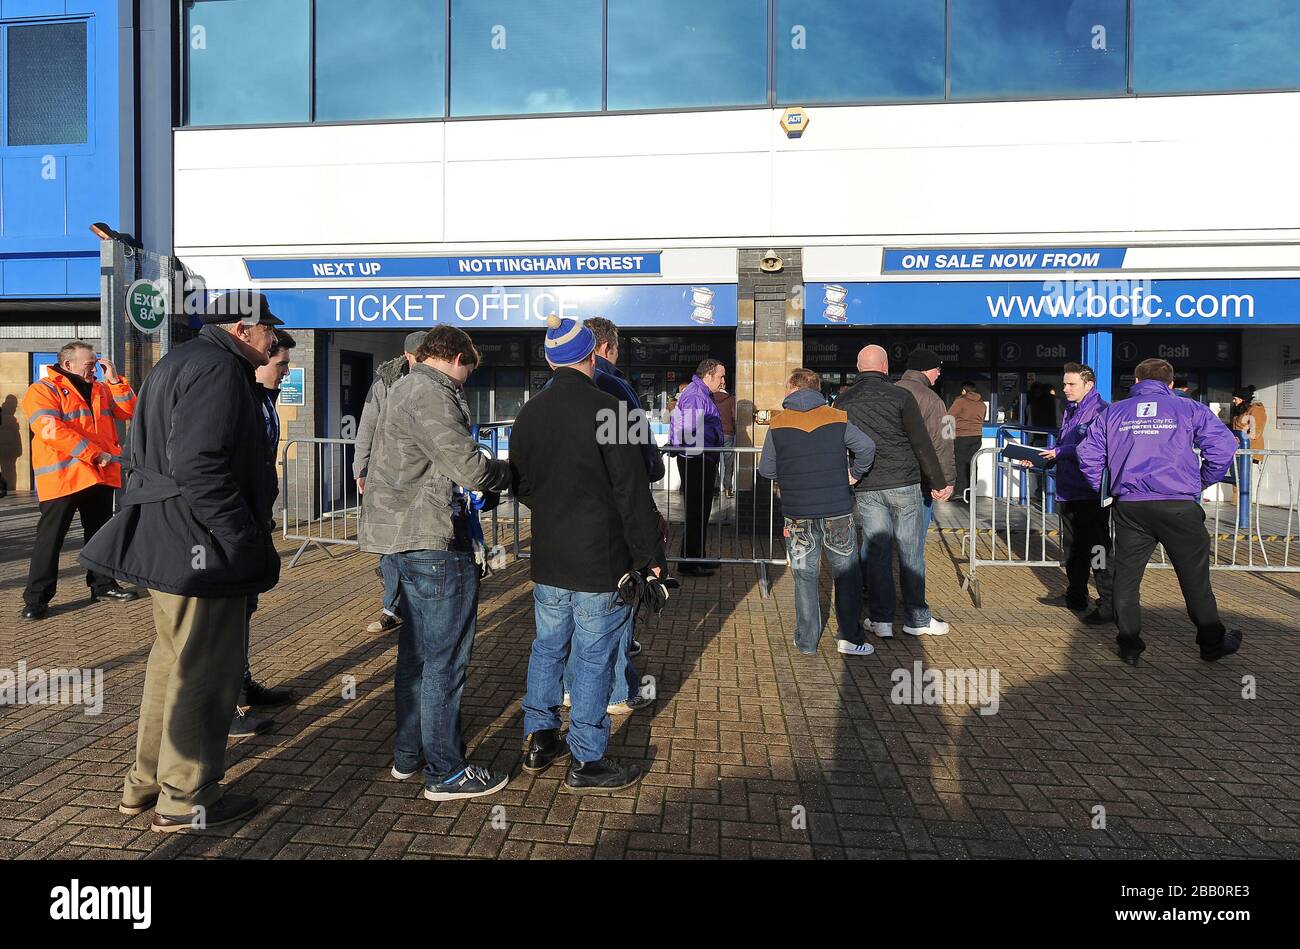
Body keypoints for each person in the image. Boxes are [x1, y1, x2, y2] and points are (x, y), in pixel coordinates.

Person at [80, 290, 284, 832]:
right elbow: (200, 466)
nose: (277, 341)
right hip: (201, 550)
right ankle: (185, 797)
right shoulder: (219, 370)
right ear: (242, 329)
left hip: (174, 543)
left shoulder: (182, 361)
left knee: (170, 667)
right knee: (204, 675)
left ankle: (145, 785)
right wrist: (239, 538)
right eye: (270, 330)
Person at [511, 315, 665, 793]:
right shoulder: (611, 410)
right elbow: (632, 492)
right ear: (592, 356)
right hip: (601, 560)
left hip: (551, 557)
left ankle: (539, 738)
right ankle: (587, 760)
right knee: (594, 658)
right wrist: (650, 557)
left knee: (548, 647)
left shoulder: (528, 413)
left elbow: (523, 484)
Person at [360, 325, 513, 801]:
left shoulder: (402, 387)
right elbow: (467, 465)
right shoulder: (430, 393)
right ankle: (446, 771)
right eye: (469, 366)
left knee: (417, 657)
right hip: (431, 542)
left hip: (405, 540)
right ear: (452, 356)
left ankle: (410, 756)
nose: (469, 377)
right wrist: (512, 473)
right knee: (445, 662)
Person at [1075, 358, 1242, 666]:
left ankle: (1129, 645)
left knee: (1126, 579)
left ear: (1136, 382)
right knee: (1195, 581)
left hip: (1131, 506)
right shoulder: (1189, 408)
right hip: (1177, 505)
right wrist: (1200, 482)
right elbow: (1223, 447)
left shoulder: (1113, 412)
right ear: (1170, 384)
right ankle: (1211, 644)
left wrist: (1107, 487)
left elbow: (1087, 453)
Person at [563, 316, 663, 714]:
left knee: (568, 613)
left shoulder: (551, 392)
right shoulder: (617, 388)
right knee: (619, 600)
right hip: (614, 514)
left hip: (564, 519)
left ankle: (570, 687)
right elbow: (645, 458)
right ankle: (620, 690)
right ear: (606, 347)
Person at [835, 345, 951, 638]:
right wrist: (938, 481)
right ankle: (918, 619)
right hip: (905, 482)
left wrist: (845, 476)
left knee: (878, 553)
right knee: (911, 553)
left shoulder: (843, 400)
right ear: (885, 366)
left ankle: (881, 620)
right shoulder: (902, 396)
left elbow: (837, 444)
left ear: (859, 367)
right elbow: (922, 443)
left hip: (868, 486)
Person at [759, 368, 876, 656]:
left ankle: (807, 641)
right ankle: (850, 637)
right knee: (846, 574)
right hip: (837, 510)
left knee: (804, 576)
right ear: (816, 388)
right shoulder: (837, 418)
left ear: (791, 388)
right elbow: (867, 447)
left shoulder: (778, 423)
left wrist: (789, 477)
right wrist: (855, 473)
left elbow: (766, 469)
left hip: (797, 513)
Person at [19, 342, 138, 620]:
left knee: (99, 535)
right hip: (64, 476)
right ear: (68, 364)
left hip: (98, 475)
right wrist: (94, 454)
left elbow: (130, 410)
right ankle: (36, 599)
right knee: (50, 540)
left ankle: (103, 586)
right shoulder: (42, 391)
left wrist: (115, 380)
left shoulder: (101, 387)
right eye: (89, 363)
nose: (94, 368)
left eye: (96, 362)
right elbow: (51, 430)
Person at [230, 329, 299, 738]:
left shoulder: (266, 402)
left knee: (245, 610)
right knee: (227, 618)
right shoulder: (239, 403)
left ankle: (242, 683)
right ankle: (229, 705)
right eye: (281, 365)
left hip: (256, 522)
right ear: (259, 361)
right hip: (235, 528)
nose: (286, 374)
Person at [355, 330, 427, 635]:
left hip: (423, 477)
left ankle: (414, 602)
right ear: (408, 356)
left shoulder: (440, 383)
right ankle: (393, 607)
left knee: (418, 544)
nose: (424, 360)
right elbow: (367, 426)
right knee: (388, 546)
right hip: (386, 477)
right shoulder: (384, 382)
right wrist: (361, 468)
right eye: (419, 355)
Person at [1033, 363, 1113, 626]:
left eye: (1071, 385)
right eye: (1065, 384)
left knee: (1098, 548)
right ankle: (1076, 595)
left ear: (1088, 385)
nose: (1065, 389)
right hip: (1068, 491)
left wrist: (1061, 452)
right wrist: (1043, 458)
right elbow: (1064, 445)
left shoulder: (1101, 412)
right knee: (1073, 548)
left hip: (1091, 493)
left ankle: (1109, 602)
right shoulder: (1071, 409)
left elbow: (1091, 449)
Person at [896, 348, 956, 566]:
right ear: (926, 370)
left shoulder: (890, 391)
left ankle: (868, 585)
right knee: (914, 541)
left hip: (885, 479)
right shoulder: (934, 400)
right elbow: (945, 442)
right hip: (918, 479)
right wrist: (946, 480)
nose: (939, 374)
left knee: (878, 539)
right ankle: (912, 597)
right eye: (937, 369)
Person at [669, 359, 726, 576]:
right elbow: (690, 432)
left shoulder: (700, 393)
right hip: (697, 459)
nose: (723, 381)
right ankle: (689, 561)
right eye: (720, 376)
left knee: (700, 511)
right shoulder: (695, 395)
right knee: (696, 511)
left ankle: (696, 556)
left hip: (701, 457)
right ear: (708, 376)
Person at [949, 381, 986, 502]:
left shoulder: (960, 401)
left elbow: (949, 416)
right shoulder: (982, 404)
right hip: (977, 436)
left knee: (960, 464)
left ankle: (960, 492)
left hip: (962, 436)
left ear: (964, 390)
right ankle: (971, 492)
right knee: (972, 463)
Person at [713, 384, 737, 499]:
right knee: (728, 463)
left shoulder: (709, 398)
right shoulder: (731, 399)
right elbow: (734, 417)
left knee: (714, 462)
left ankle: (715, 489)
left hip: (714, 434)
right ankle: (728, 489)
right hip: (728, 433)